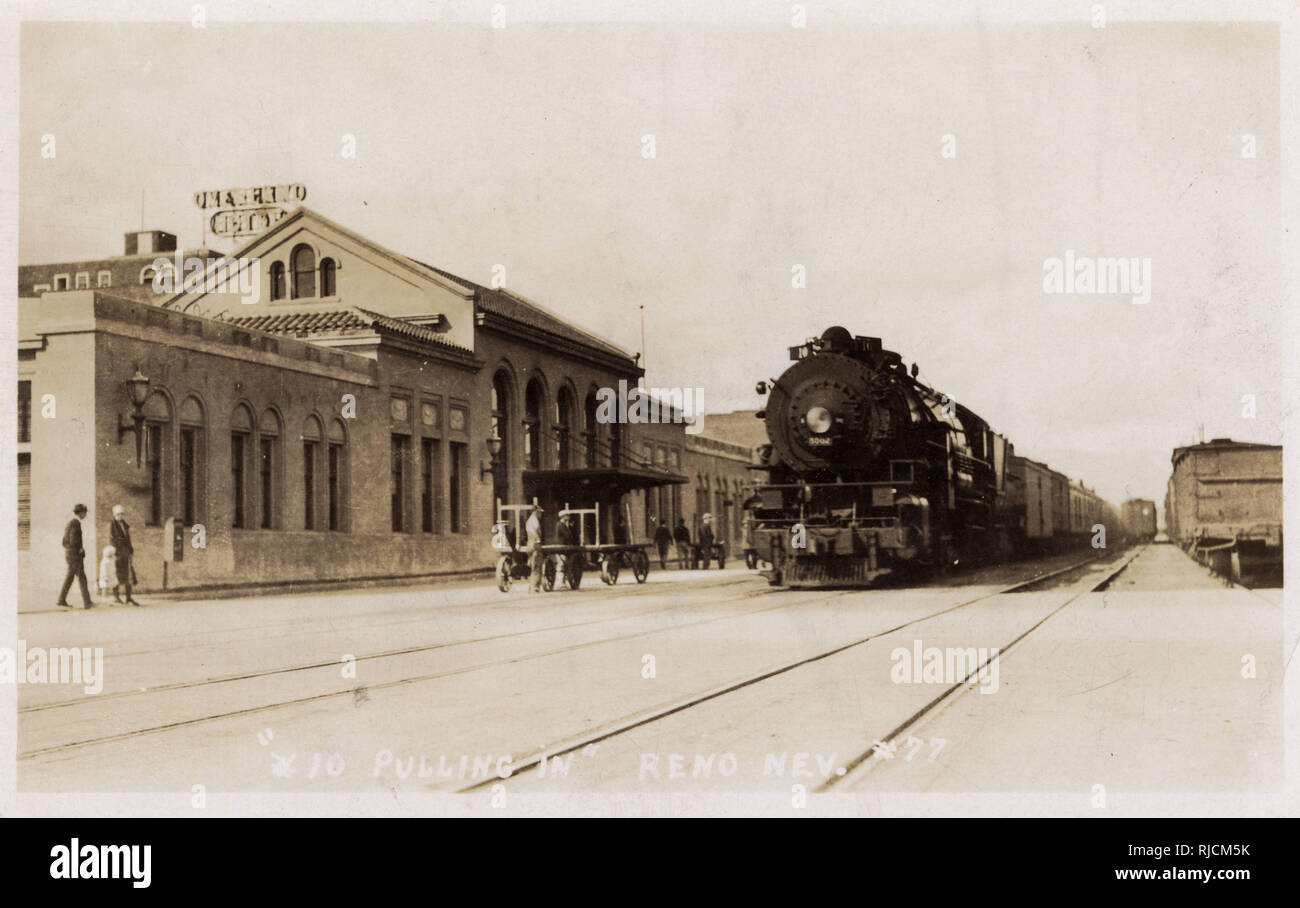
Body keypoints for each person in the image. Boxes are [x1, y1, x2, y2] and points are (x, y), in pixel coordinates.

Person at [57, 503, 93, 609]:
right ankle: (87, 603)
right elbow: (73, 540)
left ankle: (61, 599)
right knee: (81, 578)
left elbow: (64, 541)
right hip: (75, 556)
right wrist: (79, 550)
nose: (86, 515)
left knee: (70, 577)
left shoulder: (70, 523)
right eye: (85, 512)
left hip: (70, 554)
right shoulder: (75, 523)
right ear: (81, 512)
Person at [109, 505, 140, 606]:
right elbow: (112, 539)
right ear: (114, 514)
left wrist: (130, 549)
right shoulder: (112, 525)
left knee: (128, 574)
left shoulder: (124, 525)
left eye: (122, 514)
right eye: (118, 514)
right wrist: (118, 550)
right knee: (116, 574)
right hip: (117, 553)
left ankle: (128, 597)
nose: (120, 516)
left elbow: (128, 538)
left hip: (126, 553)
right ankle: (116, 597)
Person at [525, 504, 545, 593]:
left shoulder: (529, 520)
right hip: (535, 544)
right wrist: (538, 538)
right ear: (535, 511)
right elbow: (536, 531)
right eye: (539, 512)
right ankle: (535, 586)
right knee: (537, 566)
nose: (540, 514)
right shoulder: (534, 520)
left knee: (532, 566)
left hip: (530, 544)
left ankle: (531, 586)